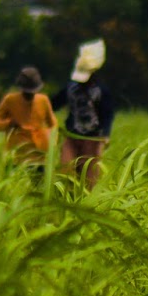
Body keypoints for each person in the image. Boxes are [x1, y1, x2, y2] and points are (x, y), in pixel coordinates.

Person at [57, 44, 114, 190]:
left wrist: (106, 134)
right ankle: (68, 201)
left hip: (92, 139)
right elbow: (55, 103)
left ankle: (85, 205)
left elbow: (107, 114)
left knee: (89, 179)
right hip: (71, 136)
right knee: (66, 171)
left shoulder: (101, 91)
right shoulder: (70, 88)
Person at [0, 66, 56, 173]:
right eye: (26, 92)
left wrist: (50, 139)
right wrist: (9, 123)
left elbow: (53, 124)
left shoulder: (43, 100)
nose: (29, 95)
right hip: (16, 155)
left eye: (32, 92)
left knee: (38, 187)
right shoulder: (10, 100)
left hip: (38, 155)